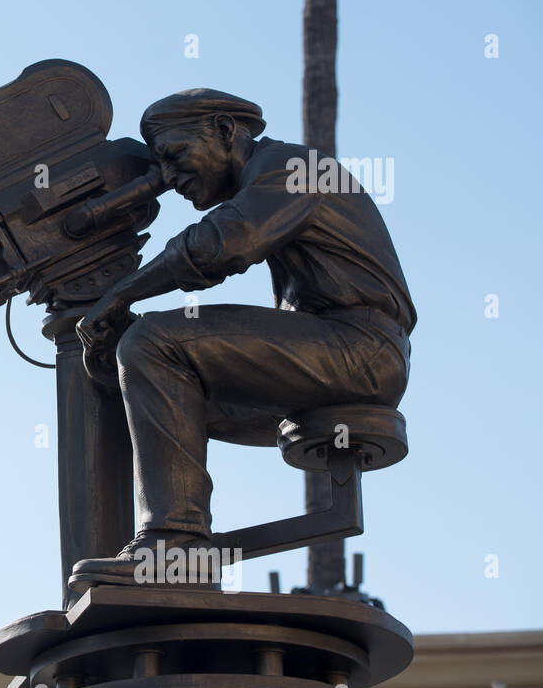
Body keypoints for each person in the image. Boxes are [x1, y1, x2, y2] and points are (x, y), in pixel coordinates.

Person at [70, 88, 415, 588]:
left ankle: (174, 542)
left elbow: (223, 245)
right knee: (135, 373)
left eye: (175, 155)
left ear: (226, 130)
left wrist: (121, 296)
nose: (169, 178)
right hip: (346, 352)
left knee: (153, 341)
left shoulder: (292, 166)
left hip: (361, 350)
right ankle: (167, 549)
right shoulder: (274, 173)